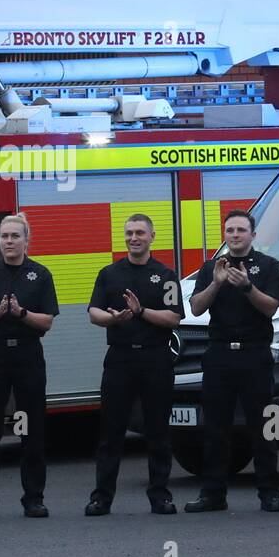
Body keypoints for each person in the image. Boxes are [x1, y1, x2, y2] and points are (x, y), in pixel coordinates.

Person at [185, 209, 279, 513]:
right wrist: (216, 283)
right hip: (219, 355)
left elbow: (271, 308)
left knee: (262, 426)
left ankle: (269, 492)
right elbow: (197, 308)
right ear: (224, 235)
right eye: (230, 230)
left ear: (253, 235)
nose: (235, 235)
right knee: (216, 427)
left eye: (241, 230)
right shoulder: (212, 267)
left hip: (255, 354)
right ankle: (213, 494)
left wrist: (246, 286)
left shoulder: (268, 266)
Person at [85, 214, 185, 516]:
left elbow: (173, 318)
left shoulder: (166, 276)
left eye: (140, 232)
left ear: (152, 236)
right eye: (129, 233)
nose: (133, 238)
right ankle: (101, 498)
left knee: (158, 431)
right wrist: (113, 319)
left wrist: (141, 312)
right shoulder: (109, 274)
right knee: (111, 432)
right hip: (120, 358)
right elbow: (93, 313)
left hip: (155, 359)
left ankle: (160, 496)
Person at [0, 214, 60, 519]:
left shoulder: (40, 275)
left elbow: (46, 322)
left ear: (26, 240)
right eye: (4, 236)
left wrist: (20, 314)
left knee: (31, 430)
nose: (9, 241)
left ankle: (34, 498)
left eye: (15, 236)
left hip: (28, 356)